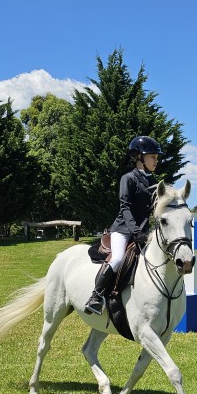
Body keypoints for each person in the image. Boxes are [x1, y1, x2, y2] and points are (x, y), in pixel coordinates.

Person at [84, 135, 163, 314]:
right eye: (153, 157)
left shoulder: (152, 182)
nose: (156, 161)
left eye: (157, 158)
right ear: (139, 157)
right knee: (118, 258)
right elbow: (125, 208)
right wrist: (135, 231)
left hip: (142, 232)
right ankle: (95, 296)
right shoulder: (127, 178)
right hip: (123, 230)